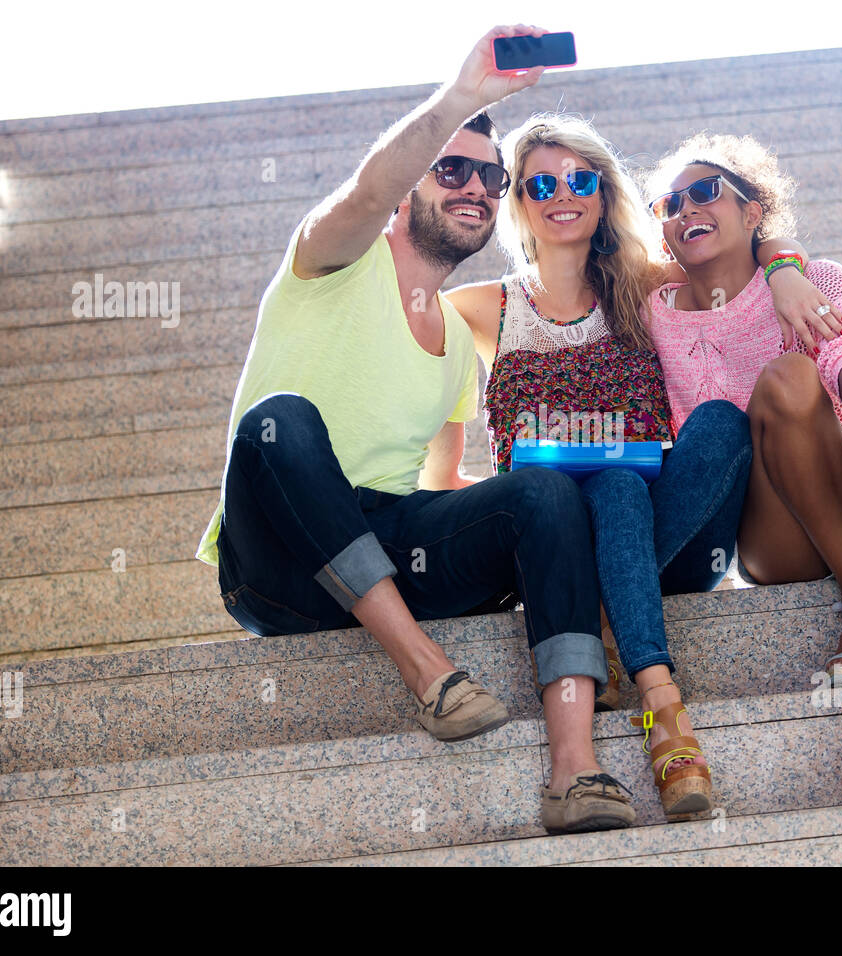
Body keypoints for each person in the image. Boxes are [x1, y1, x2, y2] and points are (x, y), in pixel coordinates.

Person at [195, 27, 636, 835]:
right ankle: (429, 674)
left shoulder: (455, 356)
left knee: (540, 494)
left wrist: (550, 528)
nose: (474, 187)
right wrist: (464, 98)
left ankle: (575, 769)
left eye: (491, 179)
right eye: (451, 169)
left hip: (381, 549)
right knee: (278, 423)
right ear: (411, 188)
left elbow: (441, 492)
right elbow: (366, 190)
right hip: (277, 561)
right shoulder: (331, 260)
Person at [445, 114, 839, 817]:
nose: (562, 192)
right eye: (541, 182)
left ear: (602, 195)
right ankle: (666, 715)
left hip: (673, 536)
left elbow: (744, 235)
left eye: (580, 178)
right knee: (614, 488)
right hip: (556, 550)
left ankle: (608, 623)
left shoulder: (646, 287)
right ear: (520, 203)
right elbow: (408, 331)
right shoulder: (484, 310)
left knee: (712, 425)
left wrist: (783, 270)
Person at [645, 133, 842, 803]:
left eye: (707, 191)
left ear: (755, 213)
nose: (686, 206)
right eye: (670, 202)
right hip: (772, 529)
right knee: (783, 381)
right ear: (663, 234)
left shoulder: (821, 278)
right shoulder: (653, 317)